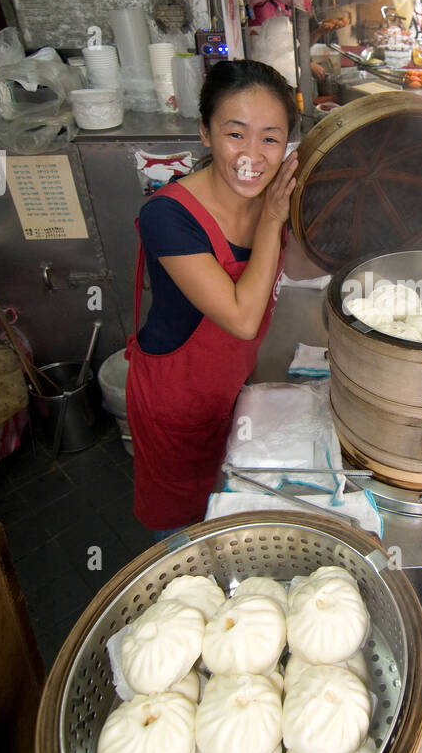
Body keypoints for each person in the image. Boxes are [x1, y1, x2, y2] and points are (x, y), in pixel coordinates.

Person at [125, 60, 299, 540]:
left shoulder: (272, 195)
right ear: (205, 133)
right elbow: (243, 319)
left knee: (229, 509)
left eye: (270, 138)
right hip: (175, 401)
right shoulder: (169, 216)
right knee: (183, 535)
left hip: (232, 387)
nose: (252, 156)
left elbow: (301, 267)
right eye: (235, 134)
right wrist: (271, 221)